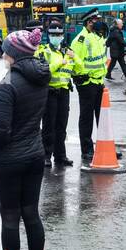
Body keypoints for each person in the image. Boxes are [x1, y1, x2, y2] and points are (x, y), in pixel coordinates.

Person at [0, 28, 52, 250]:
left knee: (10, 218)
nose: (2, 54)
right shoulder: (41, 77)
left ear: (12, 53)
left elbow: (0, 130)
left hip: (9, 161)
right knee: (32, 214)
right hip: (35, 155)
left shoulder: (8, 83)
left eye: (5, 50)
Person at [35, 18, 75, 168]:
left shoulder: (66, 51)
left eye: (59, 35)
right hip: (50, 92)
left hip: (64, 92)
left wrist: (73, 57)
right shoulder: (43, 51)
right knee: (49, 126)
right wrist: (60, 62)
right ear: (48, 35)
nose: (57, 37)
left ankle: (60, 155)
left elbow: (78, 68)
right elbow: (45, 71)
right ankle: (46, 155)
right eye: (53, 34)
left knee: (61, 126)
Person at [70, 10, 108, 162]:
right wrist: (82, 75)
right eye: (95, 20)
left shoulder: (97, 37)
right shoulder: (81, 39)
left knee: (102, 117)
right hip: (87, 83)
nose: (98, 22)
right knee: (87, 118)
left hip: (99, 82)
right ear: (88, 22)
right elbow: (75, 61)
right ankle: (87, 150)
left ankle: (105, 146)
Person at [106, 16, 126, 80]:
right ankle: (108, 74)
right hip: (116, 51)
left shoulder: (115, 30)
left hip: (117, 51)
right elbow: (121, 40)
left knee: (120, 63)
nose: (122, 25)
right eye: (121, 24)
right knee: (116, 64)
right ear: (118, 24)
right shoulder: (116, 31)